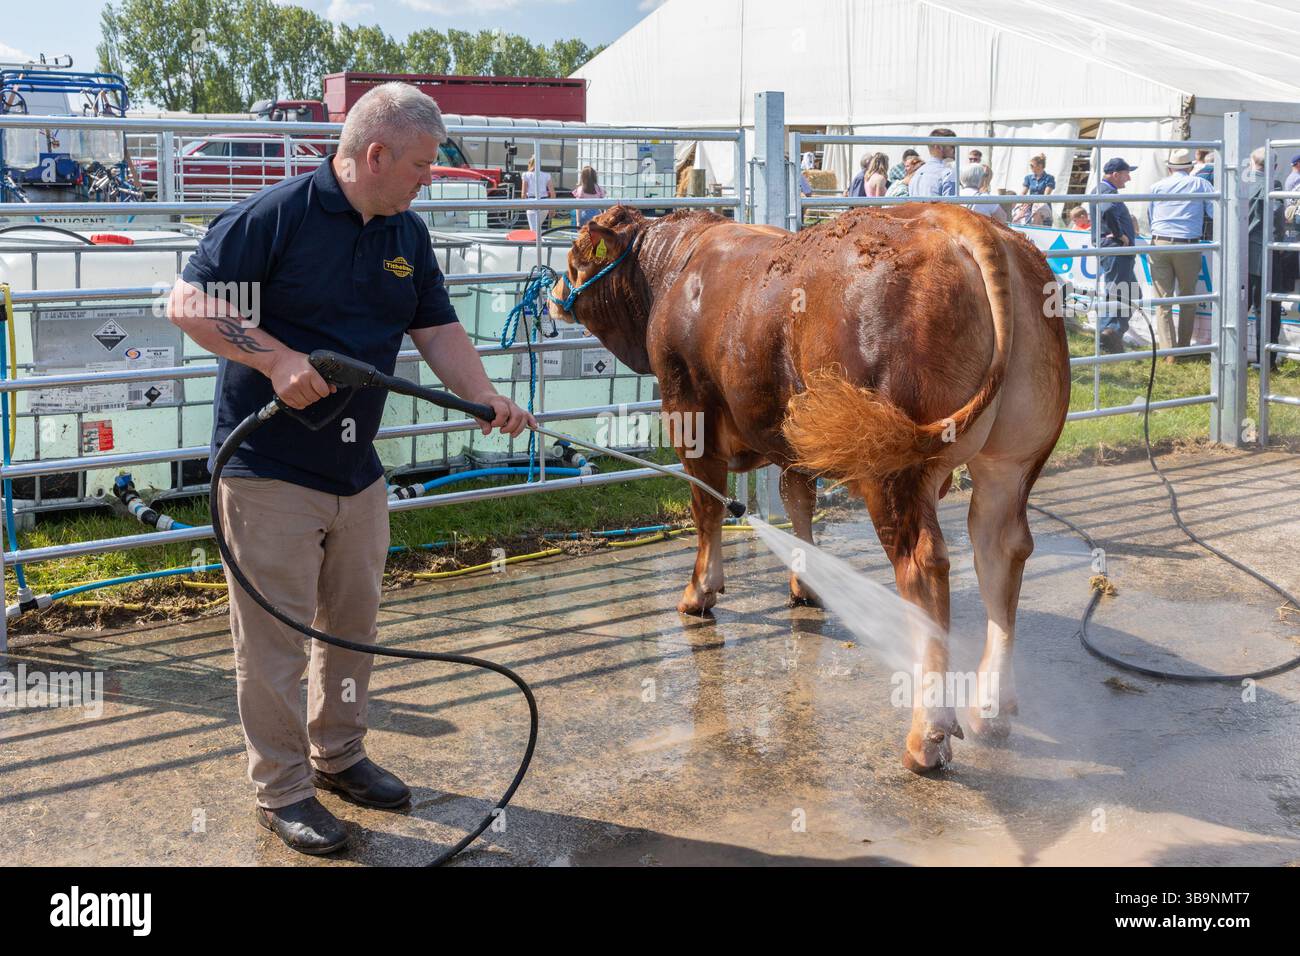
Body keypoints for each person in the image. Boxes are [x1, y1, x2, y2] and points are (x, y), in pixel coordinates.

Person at [166, 82, 534, 855]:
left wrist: (483, 395)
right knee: (274, 643)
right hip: (268, 468)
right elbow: (189, 304)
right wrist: (276, 360)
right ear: (376, 154)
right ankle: (284, 789)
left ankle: (338, 756)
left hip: (356, 470)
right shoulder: (278, 217)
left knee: (353, 631)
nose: (428, 178)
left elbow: (436, 328)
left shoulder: (405, 234)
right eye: (423, 165)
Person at [1148, 147, 1216, 359]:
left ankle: (1169, 352)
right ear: (1191, 166)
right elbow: (1214, 213)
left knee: (1163, 299)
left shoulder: (1157, 186)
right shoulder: (1201, 184)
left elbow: (1152, 215)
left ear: (1169, 167)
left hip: (1159, 242)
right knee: (1188, 296)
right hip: (1187, 244)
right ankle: (1184, 348)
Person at [1248, 147, 1296, 372]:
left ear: (1252, 162)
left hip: (1238, 258)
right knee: (1266, 311)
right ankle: (1265, 361)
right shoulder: (1273, 185)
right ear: (1274, 168)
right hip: (1262, 256)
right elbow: (1276, 217)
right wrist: (1277, 243)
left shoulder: (1240, 182)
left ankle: (1231, 357)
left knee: (1236, 310)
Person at [1095, 157, 1137, 354]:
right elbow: (1109, 210)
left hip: (1114, 249)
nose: (1128, 179)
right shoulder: (1107, 192)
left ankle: (1112, 334)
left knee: (1129, 292)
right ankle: (1108, 335)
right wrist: (1120, 235)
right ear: (1115, 174)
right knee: (1118, 292)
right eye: (1126, 174)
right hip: (1115, 249)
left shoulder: (1103, 190)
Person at [909, 128, 957, 198]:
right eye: (952, 146)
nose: (955, 149)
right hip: (937, 209)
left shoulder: (916, 173)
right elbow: (951, 206)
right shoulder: (947, 173)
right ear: (938, 147)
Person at [522, 154, 555, 234]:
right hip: (544, 203)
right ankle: (539, 244)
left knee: (533, 230)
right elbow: (552, 193)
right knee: (537, 228)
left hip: (531, 203)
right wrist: (552, 208)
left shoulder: (526, 175)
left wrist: (524, 205)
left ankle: (536, 245)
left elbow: (523, 194)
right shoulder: (547, 175)